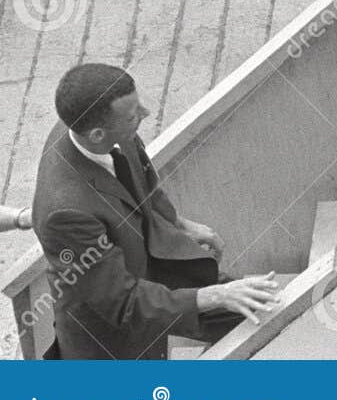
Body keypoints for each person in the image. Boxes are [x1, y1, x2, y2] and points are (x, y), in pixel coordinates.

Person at [30, 62, 281, 359]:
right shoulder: (64, 214)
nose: (145, 115)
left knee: (256, 309)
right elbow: (122, 302)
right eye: (133, 116)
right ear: (97, 134)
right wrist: (216, 295)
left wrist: (180, 223)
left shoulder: (94, 124)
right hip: (114, 340)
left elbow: (144, 181)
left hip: (155, 275)